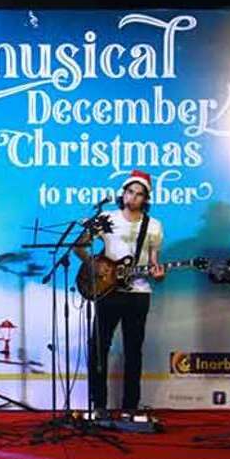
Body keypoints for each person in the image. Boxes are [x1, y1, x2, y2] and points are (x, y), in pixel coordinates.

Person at [73, 169, 165, 417]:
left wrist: (159, 273)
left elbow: (154, 262)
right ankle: (99, 406)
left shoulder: (153, 226)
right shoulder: (106, 218)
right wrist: (96, 266)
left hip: (138, 293)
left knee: (133, 351)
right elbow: (79, 246)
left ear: (145, 199)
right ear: (123, 193)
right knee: (99, 348)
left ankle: (130, 407)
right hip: (107, 291)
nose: (133, 197)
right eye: (130, 192)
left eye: (139, 194)